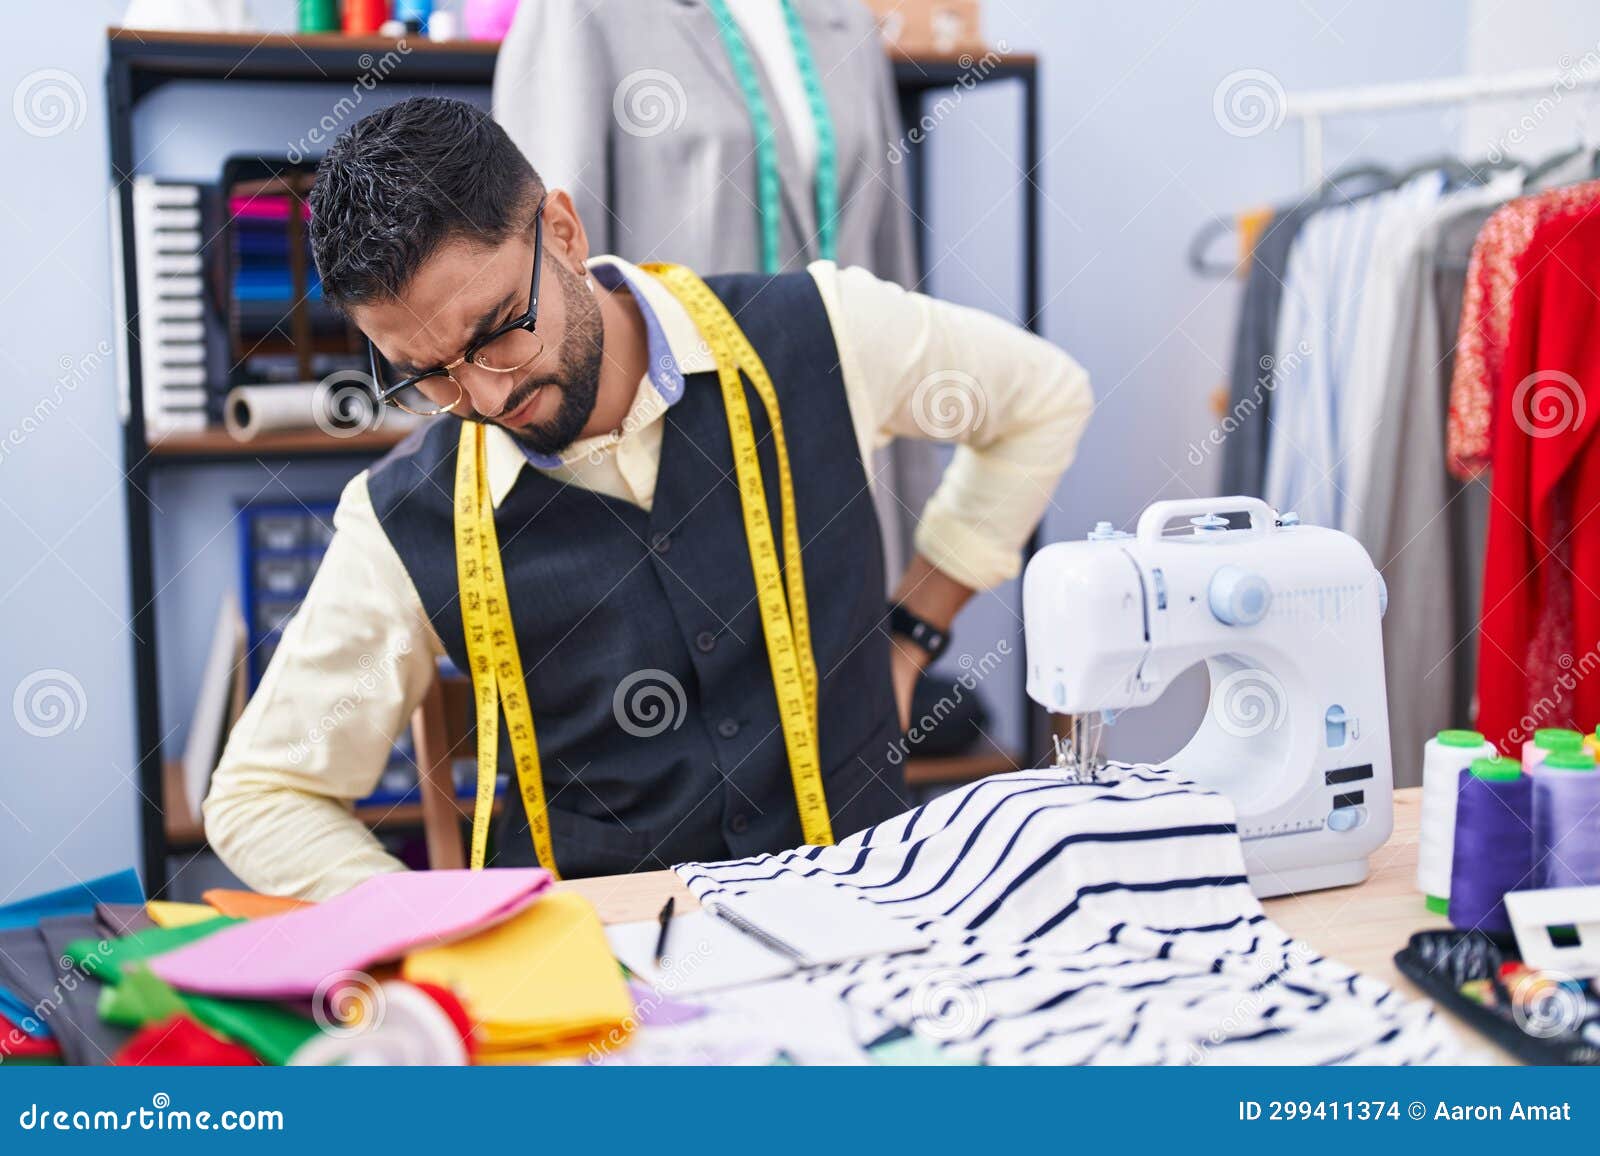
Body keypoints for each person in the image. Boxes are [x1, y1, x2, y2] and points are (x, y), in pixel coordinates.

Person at [204, 97, 1092, 899]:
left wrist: (916, 632)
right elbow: (260, 796)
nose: (481, 398)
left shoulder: (822, 332)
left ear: (561, 230)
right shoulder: (405, 516)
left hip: (861, 928)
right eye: (425, 375)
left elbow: (1044, 396)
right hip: (602, 993)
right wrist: (423, 922)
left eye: (496, 332)